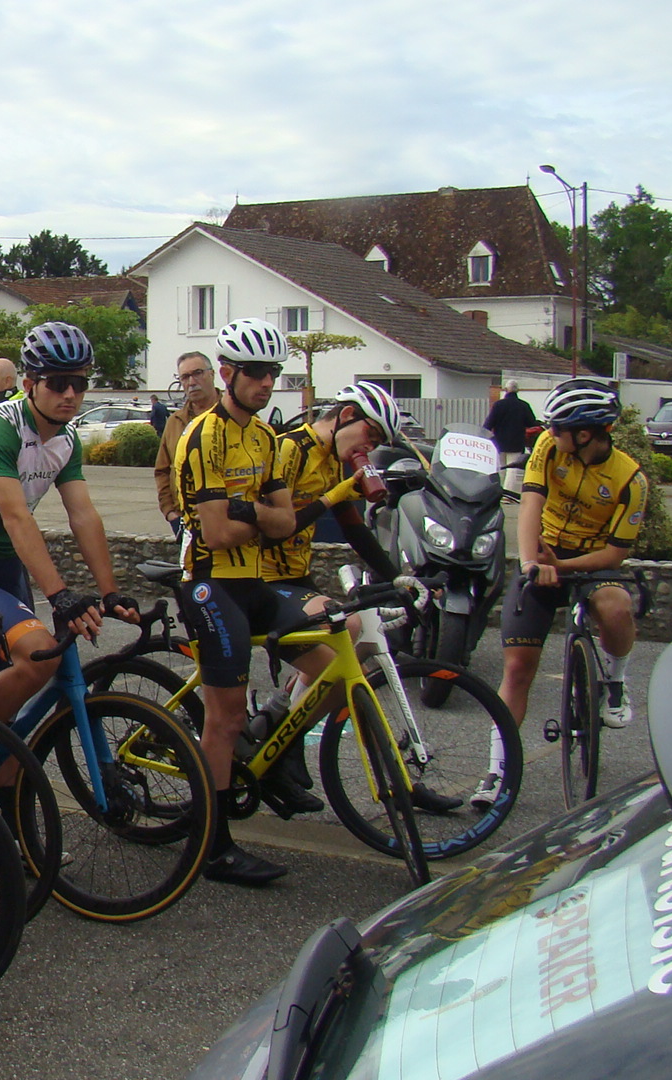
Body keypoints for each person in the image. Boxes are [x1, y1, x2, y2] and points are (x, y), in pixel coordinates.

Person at [0, 321, 139, 827]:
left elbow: (83, 515)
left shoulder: (65, 440)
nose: (70, 394)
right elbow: (16, 517)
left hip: (7, 570)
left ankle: (8, 838)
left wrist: (110, 591)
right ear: (29, 384)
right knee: (41, 654)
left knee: (9, 710)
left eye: (79, 384)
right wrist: (61, 593)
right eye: (58, 383)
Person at [256, 384, 451, 815]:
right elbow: (274, 529)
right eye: (371, 435)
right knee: (347, 674)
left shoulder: (332, 461)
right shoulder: (290, 450)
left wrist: (399, 577)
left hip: (294, 578)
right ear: (345, 415)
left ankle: (277, 725)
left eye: (378, 442)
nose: (370, 448)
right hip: (258, 579)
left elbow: (354, 530)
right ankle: (283, 750)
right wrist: (333, 495)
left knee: (356, 632)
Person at [172, 318, 310, 886]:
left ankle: (271, 754)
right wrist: (260, 517)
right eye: (255, 372)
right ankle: (213, 846)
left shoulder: (267, 438)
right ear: (227, 373)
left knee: (330, 662)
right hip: (209, 582)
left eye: (273, 372)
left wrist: (247, 509)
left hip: (254, 581)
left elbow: (287, 522)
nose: (266, 382)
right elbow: (217, 533)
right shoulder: (203, 436)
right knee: (225, 716)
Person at [488, 379, 645, 806]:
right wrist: (530, 564)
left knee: (617, 607)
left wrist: (565, 567)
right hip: (543, 554)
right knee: (517, 668)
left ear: (586, 434)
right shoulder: (547, 447)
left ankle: (615, 680)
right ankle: (496, 770)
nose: (548, 433)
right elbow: (529, 505)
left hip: (592, 561)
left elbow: (616, 554)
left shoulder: (631, 479)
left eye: (557, 427)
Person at [153, 351, 219, 538]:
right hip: (184, 522)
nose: (191, 382)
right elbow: (162, 470)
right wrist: (170, 512)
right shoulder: (175, 422)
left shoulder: (235, 417)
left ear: (212, 374)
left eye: (197, 373)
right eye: (185, 377)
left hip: (226, 521)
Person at [485, 379, 541, 499]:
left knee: (500, 468)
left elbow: (489, 423)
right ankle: (508, 495)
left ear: (506, 390)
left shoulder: (498, 405)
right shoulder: (523, 405)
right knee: (512, 469)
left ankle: (497, 493)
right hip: (516, 441)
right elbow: (531, 423)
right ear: (518, 390)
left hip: (499, 442)